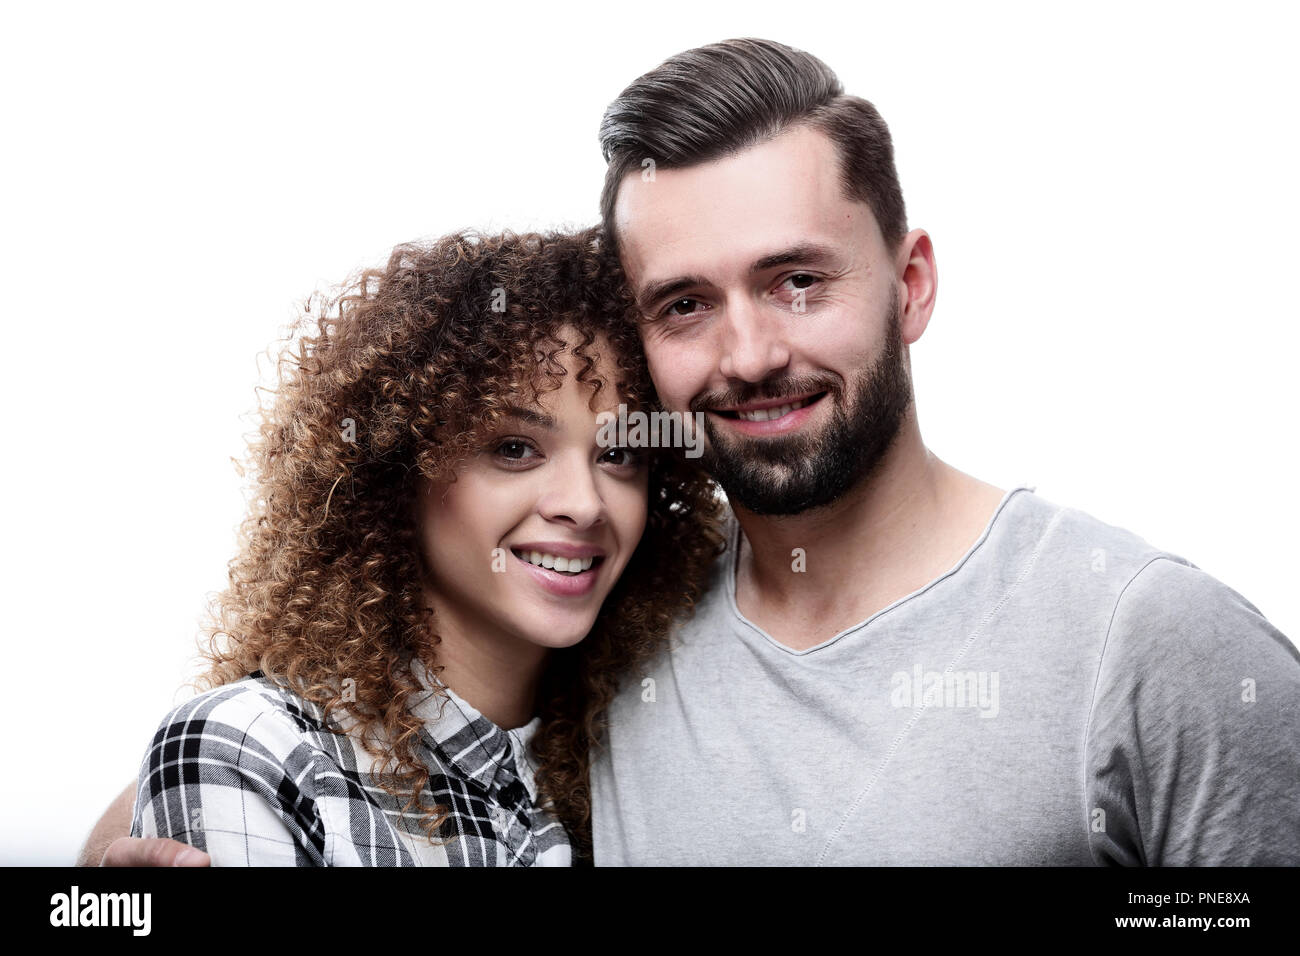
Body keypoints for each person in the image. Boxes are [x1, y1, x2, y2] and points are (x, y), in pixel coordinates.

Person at [84, 37, 1300, 867]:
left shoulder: (1145, 642)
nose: (749, 351)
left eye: (797, 279)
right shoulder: (620, 634)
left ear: (910, 281)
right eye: (682, 305)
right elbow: (316, 744)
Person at [88, 227, 722, 866]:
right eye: (514, 449)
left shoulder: (634, 758)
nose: (583, 503)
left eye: (618, 455)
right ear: (397, 473)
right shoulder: (262, 751)